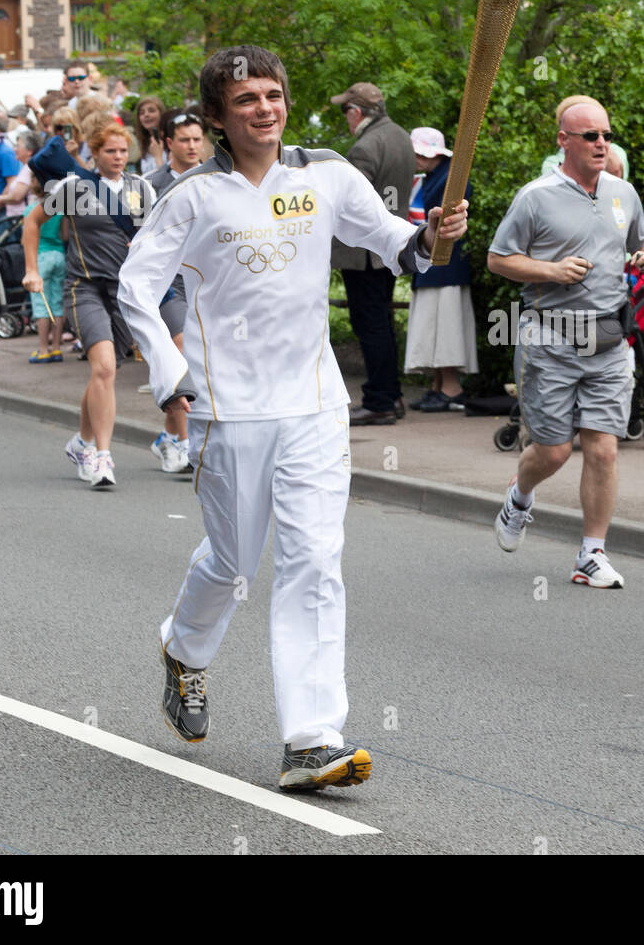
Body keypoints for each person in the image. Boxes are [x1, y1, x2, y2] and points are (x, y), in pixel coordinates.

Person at [117, 44, 467, 791]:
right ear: (217, 116)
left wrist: (436, 232)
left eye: (272, 95)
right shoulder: (191, 198)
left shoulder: (326, 175)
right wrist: (168, 371)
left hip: (312, 403)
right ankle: (183, 649)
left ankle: (311, 739)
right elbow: (135, 289)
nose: (263, 109)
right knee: (236, 562)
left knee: (313, 560)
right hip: (228, 408)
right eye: (245, 100)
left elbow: (400, 248)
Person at [488, 97, 644, 590]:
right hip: (550, 336)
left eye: (605, 135)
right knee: (554, 452)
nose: (601, 144)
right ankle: (520, 496)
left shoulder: (623, 192)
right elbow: (499, 259)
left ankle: (591, 553)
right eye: (589, 136)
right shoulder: (535, 197)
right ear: (563, 140)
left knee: (604, 450)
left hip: (609, 337)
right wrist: (550, 270)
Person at [22, 122, 157, 490]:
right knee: (105, 369)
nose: (117, 157)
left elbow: (156, 236)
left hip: (123, 292)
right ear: (93, 154)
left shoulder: (140, 188)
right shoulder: (75, 189)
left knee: (105, 374)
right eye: (109, 151)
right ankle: (102, 455)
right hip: (83, 288)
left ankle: (80, 442)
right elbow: (31, 223)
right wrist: (32, 270)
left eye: (122, 151)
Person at [329, 81, 417, 425]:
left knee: (370, 326)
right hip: (388, 248)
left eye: (346, 112)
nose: (346, 120)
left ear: (356, 112)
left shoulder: (366, 146)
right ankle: (390, 396)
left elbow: (352, 204)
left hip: (364, 252)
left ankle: (380, 400)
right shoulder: (399, 135)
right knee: (381, 322)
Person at [143, 110, 208, 472]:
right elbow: (137, 237)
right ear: (169, 143)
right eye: (184, 140)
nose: (192, 146)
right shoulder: (151, 185)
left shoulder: (216, 177)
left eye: (197, 139)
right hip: (171, 284)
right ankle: (184, 444)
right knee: (183, 348)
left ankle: (169, 436)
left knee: (204, 357)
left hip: (209, 281)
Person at [405, 127, 478, 410]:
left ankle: (450, 388)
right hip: (429, 266)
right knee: (431, 326)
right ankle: (438, 386)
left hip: (446, 268)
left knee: (445, 327)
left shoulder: (452, 178)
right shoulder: (432, 177)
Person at [23, 170, 66, 364]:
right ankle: (56, 347)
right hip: (59, 255)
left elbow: (27, 238)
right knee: (57, 302)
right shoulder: (61, 210)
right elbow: (65, 236)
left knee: (41, 304)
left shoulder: (31, 210)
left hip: (40, 256)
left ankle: (43, 349)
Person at [540, 94, 632, 181]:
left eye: (607, 136)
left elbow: (616, 171)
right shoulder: (551, 163)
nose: (601, 143)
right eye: (590, 135)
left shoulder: (616, 150)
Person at [134, 96, 165, 177]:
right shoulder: (144, 143)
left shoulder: (170, 142)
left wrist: (158, 157)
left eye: (151, 110)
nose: (146, 115)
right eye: (142, 113)